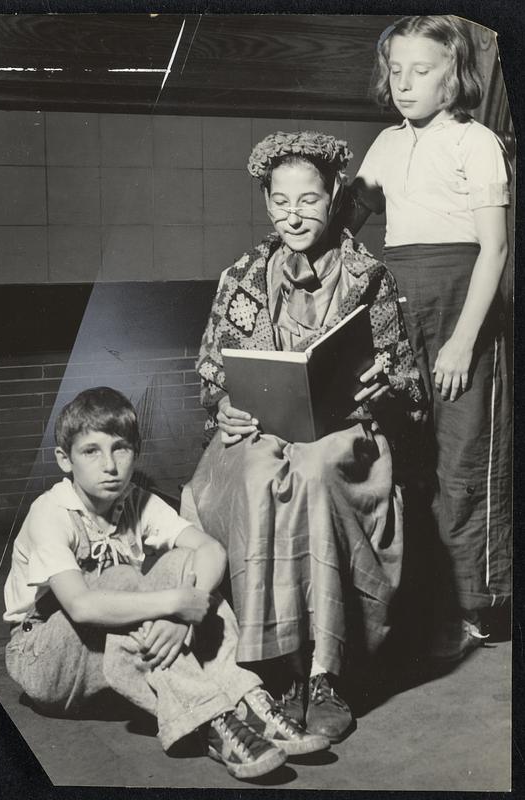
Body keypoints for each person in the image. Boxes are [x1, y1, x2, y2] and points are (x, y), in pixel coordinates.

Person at [180, 131, 425, 744]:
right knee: (263, 473)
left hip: (345, 434)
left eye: (309, 201)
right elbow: (212, 370)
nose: (294, 215)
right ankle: (278, 668)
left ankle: (324, 673)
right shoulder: (241, 277)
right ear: (266, 201)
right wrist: (228, 405)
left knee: (314, 474)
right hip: (260, 431)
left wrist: (383, 386)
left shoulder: (371, 279)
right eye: (281, 201)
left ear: (334, 194)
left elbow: (410, 381)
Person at [3, 386, 331, 783]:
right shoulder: (52, 511)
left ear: (135, 452)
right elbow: (81, 606)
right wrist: (177, 602)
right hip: (43, 656)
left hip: (103, 649)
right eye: (91, 451)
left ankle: (249, 702)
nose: (110, 465)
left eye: (120, 448)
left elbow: (211, 551)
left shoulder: (135, 501)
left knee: (183, 562)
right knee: (123, 580)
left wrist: (182, 618)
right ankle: (210, 717)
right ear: (65, 459)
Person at [348, 15, 512, 660]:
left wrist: (461, 342)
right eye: (396, 71)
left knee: (465, 457)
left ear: (455, 78)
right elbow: (347, 221)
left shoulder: (477, 144)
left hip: (462, 305)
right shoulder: (386, 144)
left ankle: (480, 604)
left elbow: (494, 250)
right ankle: (417, 598)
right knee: (404, 454)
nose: (405, 84)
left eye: (423, 71)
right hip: (397, 303)